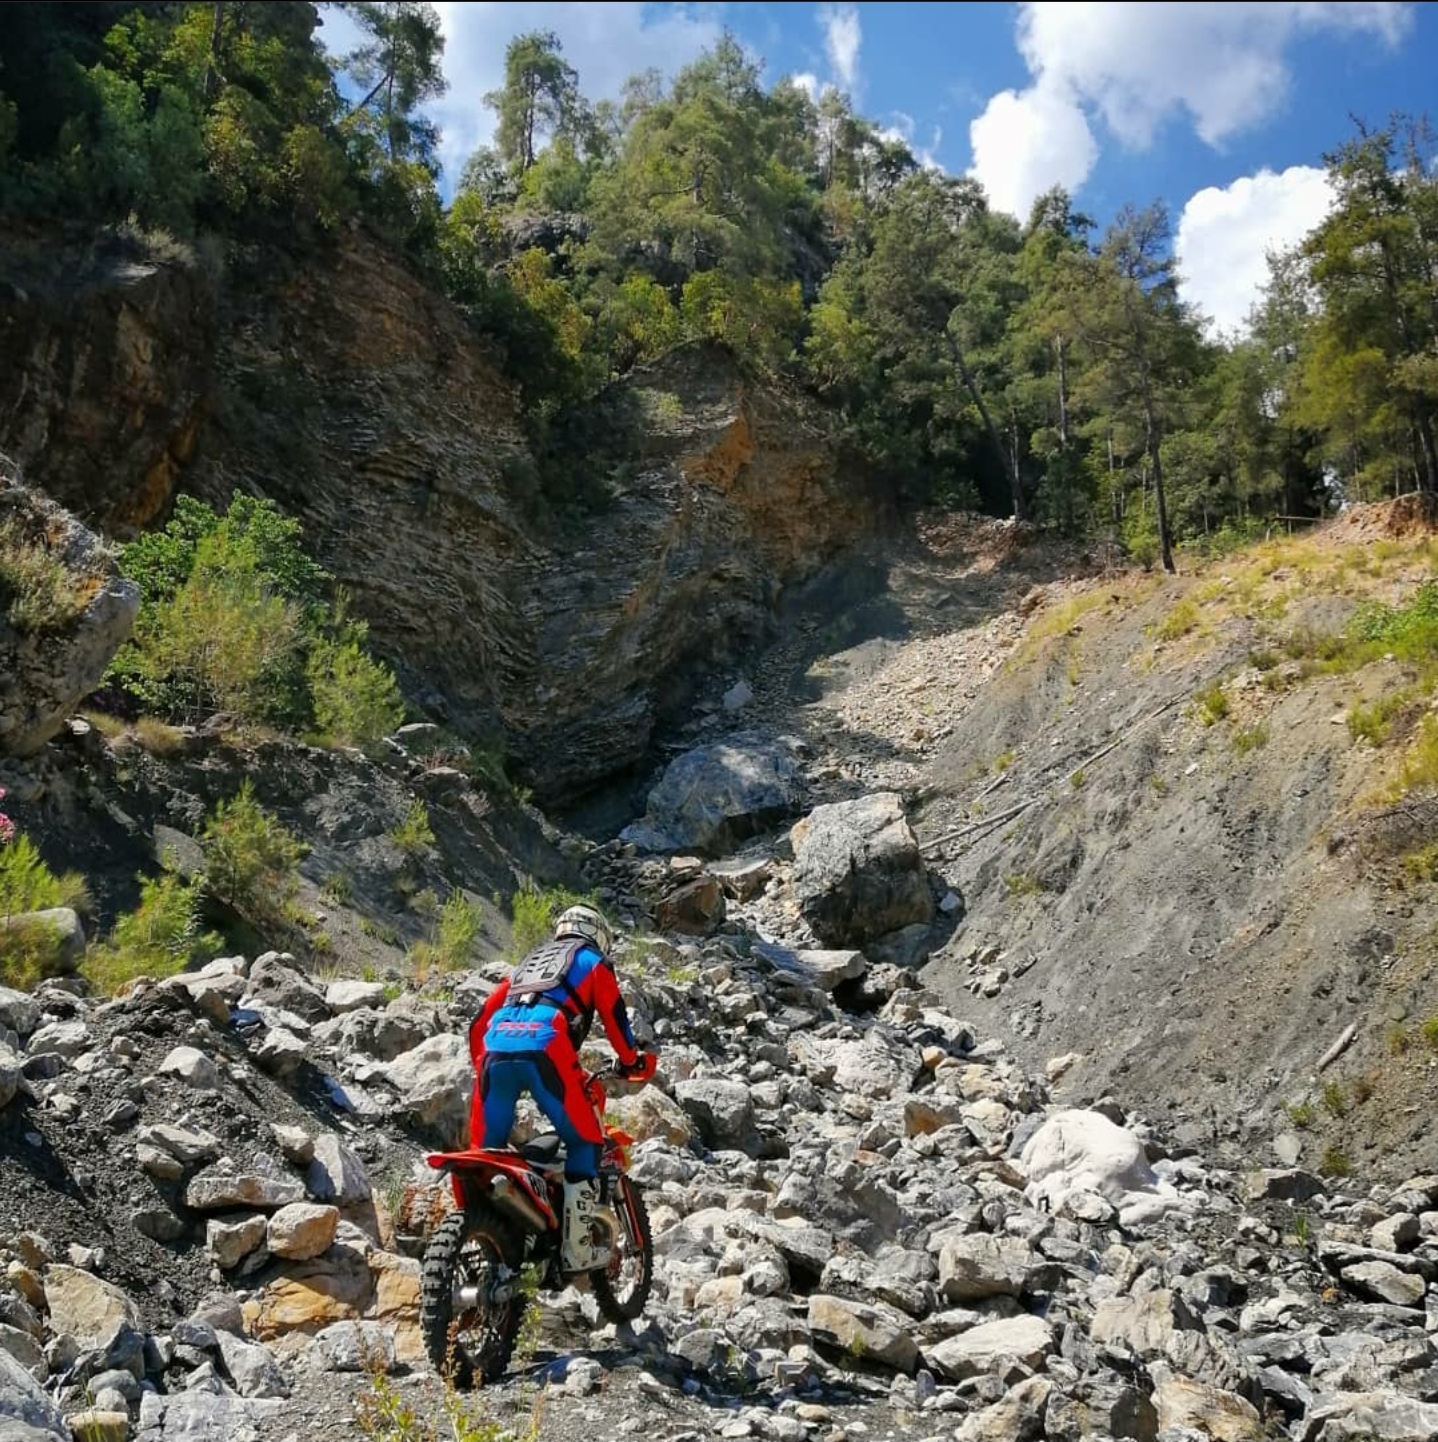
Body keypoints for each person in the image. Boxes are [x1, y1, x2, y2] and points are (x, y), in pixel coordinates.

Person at [467, 904, 657, 1273]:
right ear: (598, 933)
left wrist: (484, 1065)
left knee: (484, 1156)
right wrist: (632, 1060)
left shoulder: (526, 966)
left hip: (494, 1051)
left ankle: (488, 1241)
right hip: (547, 1046)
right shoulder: (591, 961)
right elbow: (616, 1020)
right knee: (585, 1141)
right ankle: (576, 1249)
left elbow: (478, 1027)